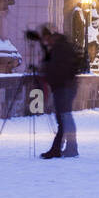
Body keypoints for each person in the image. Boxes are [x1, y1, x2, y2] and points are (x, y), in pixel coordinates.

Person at [35, 24, 79, 159]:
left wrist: (46, 73)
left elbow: (58, 68)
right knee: (65, 118)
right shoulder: (62, 46)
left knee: (64, 118)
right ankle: (68, 148)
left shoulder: (60, 48)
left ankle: (61, 149)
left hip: (63, 87)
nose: (46, 42)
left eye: (46, 39)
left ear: (50, 36)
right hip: (65, 86)